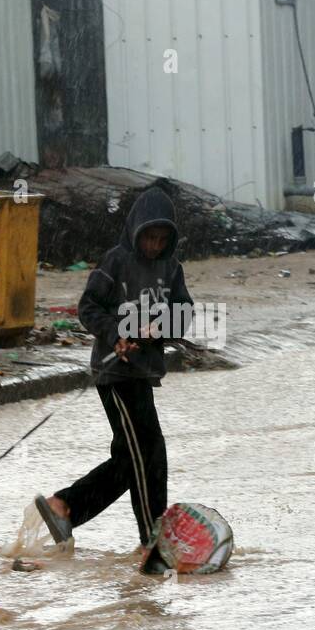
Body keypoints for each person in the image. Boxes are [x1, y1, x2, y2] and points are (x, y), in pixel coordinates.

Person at [34, 187, 193, 549]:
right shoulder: (116, 262)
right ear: (136, 231)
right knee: (147, 453)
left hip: (144, 371)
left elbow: (184, 312)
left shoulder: (172, 268)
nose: (153, 245)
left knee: (131, 458)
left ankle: (65, 506)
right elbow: (89, 307)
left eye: (161, 239)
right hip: (116, 373)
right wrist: (117, 333)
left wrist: (158, 327)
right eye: (149, 237)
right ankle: (152, 540)